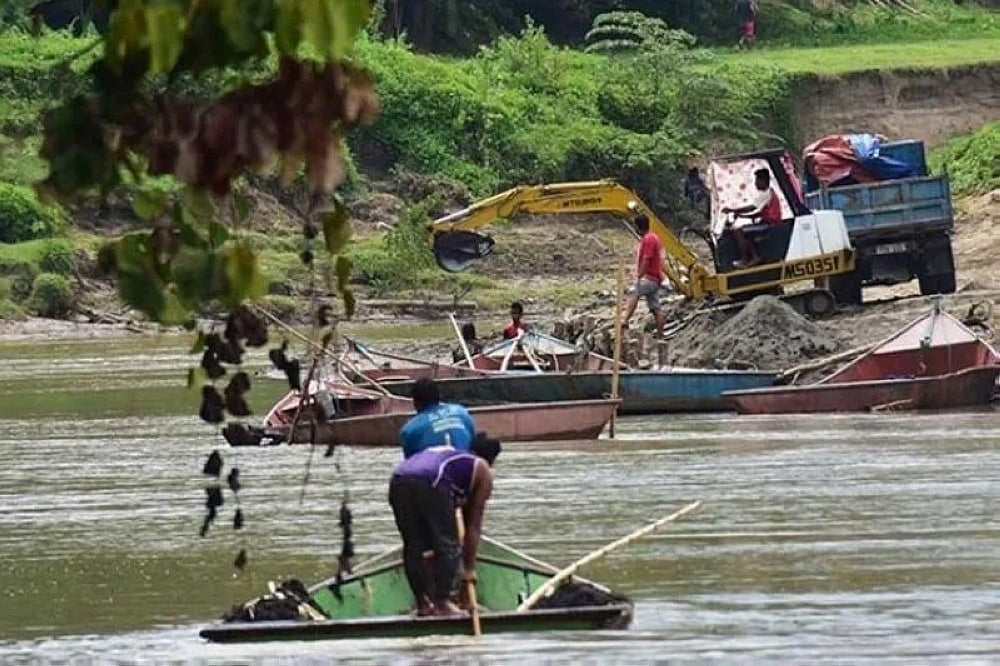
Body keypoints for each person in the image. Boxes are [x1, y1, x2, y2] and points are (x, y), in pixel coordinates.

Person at [388, 434, 501, 616]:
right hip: (432, 481)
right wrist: (469, 571)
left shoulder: (454, 458)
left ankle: (423, 603)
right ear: (492, 460)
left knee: (413, 546)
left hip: (398, 479)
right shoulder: (482, 469)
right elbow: (472, 526)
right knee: (448, 546)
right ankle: (442, 602)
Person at [398, 378, 475, 458]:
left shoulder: (410, 430)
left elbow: (410, 466)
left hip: (434, 468)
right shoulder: (461, 412)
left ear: (415, 402)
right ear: (439, 396)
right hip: (466, 464)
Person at [721, 168, 783, 267]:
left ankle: (748, 258)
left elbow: (752, 207)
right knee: (744, 228)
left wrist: (732, 210)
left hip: (769, 224)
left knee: (739, 231)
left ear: (764, 180)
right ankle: (753, 256)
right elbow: (760, 212)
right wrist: (742, 216)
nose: (755, 184)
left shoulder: (766, 194)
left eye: (757, 181)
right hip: (768, 222)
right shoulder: (769, 193)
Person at [623, 214, 666, 338]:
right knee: (655, 308)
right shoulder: (652, 238)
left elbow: (647, 260)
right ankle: (660, 336)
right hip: (655, 278)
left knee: (635, 291)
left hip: (650, 278)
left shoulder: (648, 239)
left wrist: (638, 277)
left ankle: (625, 320)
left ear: (637, 227)